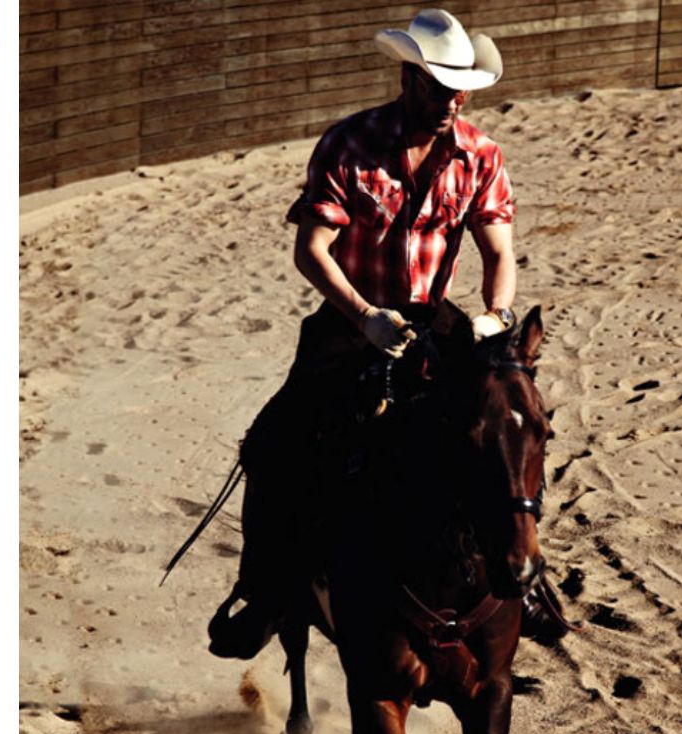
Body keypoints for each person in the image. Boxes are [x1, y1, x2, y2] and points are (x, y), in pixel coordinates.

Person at [209, 8, 533, 659]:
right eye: (440, 85)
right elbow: (312, 249)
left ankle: (522, 584)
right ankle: (265, 590)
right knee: (276, 441)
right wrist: (363, 316)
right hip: (349, 321)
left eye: (460, 87)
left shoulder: (480, 155)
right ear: (408, 76)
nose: (451, 100)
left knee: (505, 426)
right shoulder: (348, 144)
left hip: (437, 318)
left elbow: (500, 253)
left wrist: (495, 315)